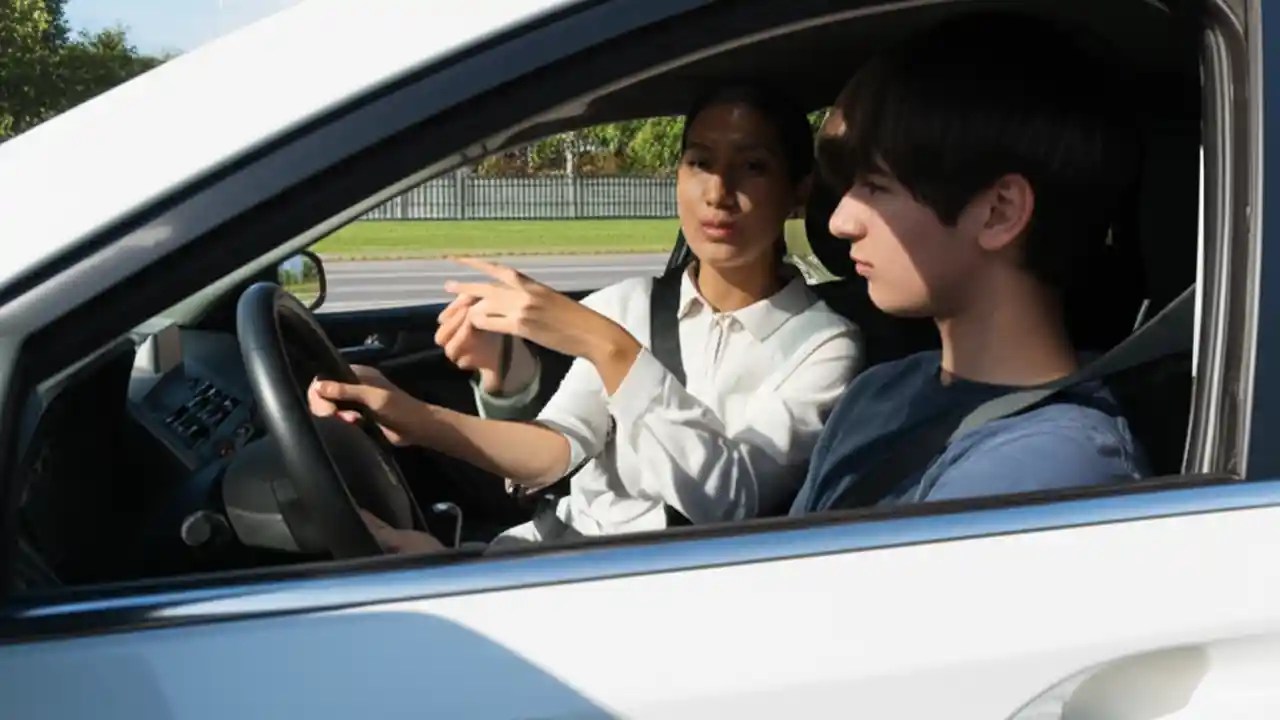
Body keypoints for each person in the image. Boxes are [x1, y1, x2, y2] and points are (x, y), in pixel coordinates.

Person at [310, 82, 864, 553]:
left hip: (652, 585)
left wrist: (606, 346)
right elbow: (553, 452)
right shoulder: (630, 303)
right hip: (549, 554)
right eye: (700, 162)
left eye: (753, 166)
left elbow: (729, 501)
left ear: (798, 190)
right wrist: (411, 415)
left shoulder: (824, 345)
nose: (718, 192)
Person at [789, 12, 1150, 515]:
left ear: (999, 212)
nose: (839, 221)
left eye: (875, 187)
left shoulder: (1051, 462)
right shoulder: (878, 391)